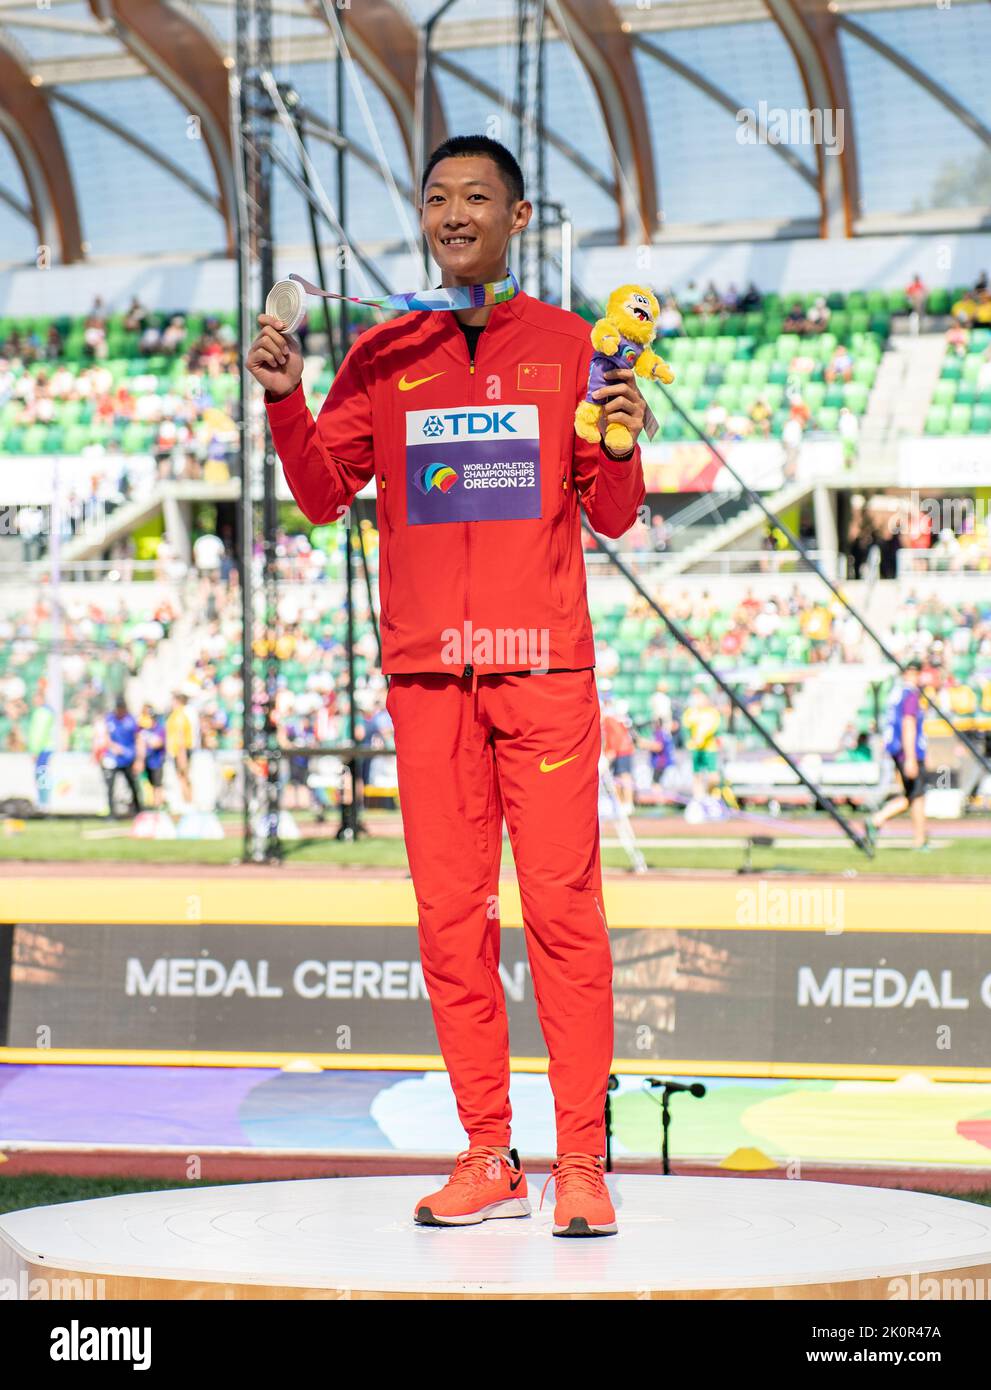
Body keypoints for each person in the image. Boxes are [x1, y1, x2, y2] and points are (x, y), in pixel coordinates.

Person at [246, 133, 654, 1238]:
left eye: (479, 196)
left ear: (518, 219)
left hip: (546, 674)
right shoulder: (385, 349)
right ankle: (488, 1155)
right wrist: (286, 399)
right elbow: (325, 495)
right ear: (423, 219)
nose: (455, 212)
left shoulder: (572, 346)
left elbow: (613, 512)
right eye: (438, 197)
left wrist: (618, 439)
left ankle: (580, 1163)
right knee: (448, 925)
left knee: (565, 918)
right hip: (428, 682)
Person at [860, 659, 930, 851]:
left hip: (899, 751)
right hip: (908, 752)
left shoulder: (896, 695)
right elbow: (908, 726)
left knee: (914, 795)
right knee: (916, 795)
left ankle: (880, 821)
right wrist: (911, 758)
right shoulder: (910, 696)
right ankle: (918, 839)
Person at [102, 696, 141, 817]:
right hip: (113, 759)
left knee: (132, 785)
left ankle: (138, 811)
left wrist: (138, 759)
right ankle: (111, 813)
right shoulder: (110, 719)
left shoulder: (132, 721)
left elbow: (138, 739)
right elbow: (106, 736)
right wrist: (112, 746)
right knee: (110, 787)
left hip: (128, 758)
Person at [682, 684, 721, 801]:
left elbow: (712, 727)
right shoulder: (691, 712)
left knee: (713, 777)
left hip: (709, 748)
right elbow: (686, 724)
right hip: (696, 748)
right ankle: (698, 799)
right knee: (697, 775)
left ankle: (710, 796)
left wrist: (701, 737)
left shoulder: (712, 713)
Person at [165, 690, 195, 805]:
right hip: (177, 751)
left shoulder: (179, 715)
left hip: (180, 751)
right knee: (181, 777)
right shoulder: (176, 715)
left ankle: (188, 802)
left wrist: (181, 755)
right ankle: (187, 801)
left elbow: (181, 736)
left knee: (183, 776)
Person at [137, 703, 167, 810]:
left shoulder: (159, 729)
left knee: (157, 784)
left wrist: (147, 743)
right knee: (149, 783)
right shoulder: (143, 729)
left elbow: (158, 743)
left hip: (157, 760)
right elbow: (139, 743)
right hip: (147, 760)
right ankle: (153, 804)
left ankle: (158, 804)